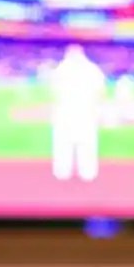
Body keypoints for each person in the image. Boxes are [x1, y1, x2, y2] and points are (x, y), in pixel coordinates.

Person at [50, 44, 107, 182]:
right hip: (85, 111)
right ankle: (87, 173)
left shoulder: (62, 68)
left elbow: (54, 89)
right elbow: (101, 90)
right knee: (86, 144)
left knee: (64, 143)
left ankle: (63, 172)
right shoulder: (92, 69)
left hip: (68, 110)